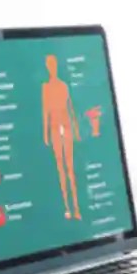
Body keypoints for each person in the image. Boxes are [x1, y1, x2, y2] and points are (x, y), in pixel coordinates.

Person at [42, 54, 82, 220]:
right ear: (47, 67)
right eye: (50, 64)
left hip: (66, 127)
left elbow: (71, 108)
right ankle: (67, 206)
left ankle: (77, 207)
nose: (53, 66)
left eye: (54, 64)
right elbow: (45, 111)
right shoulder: (45, 87)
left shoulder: (63, 86)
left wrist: (76, 129)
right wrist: (45, 133)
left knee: (70, 167)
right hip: (54, 128)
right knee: (60, 168)